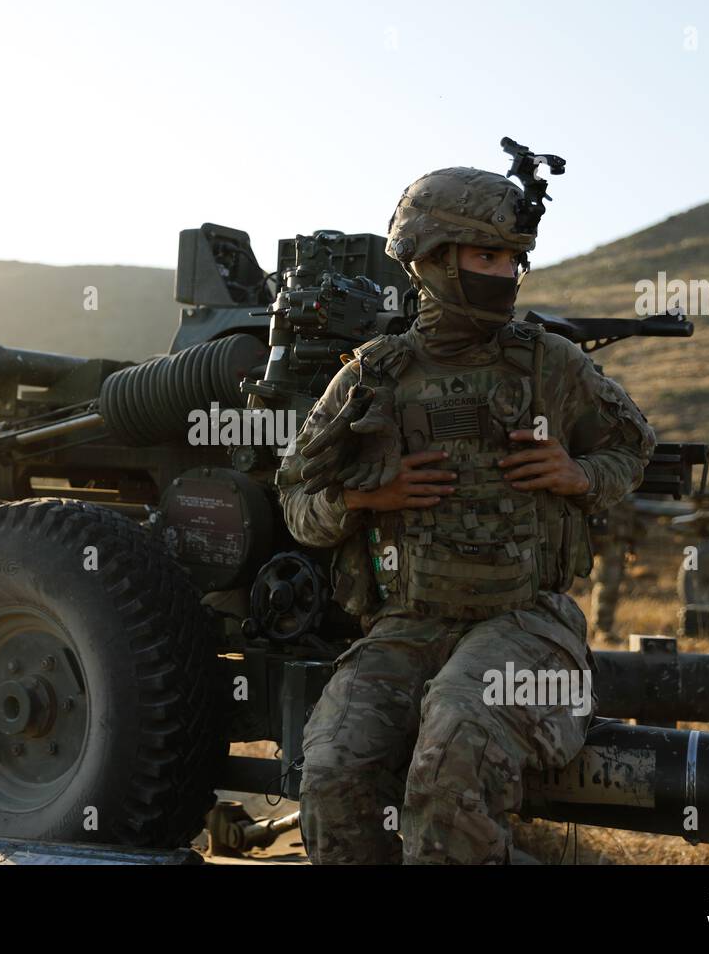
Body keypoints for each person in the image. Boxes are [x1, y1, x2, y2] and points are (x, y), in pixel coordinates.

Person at [276, 162, 655, 864]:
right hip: (407, 627)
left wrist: (577, 475)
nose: (504, 274)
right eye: (487, 256)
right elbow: (297, 498)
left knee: (453, 749)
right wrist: (365, 498)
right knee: (331, 773)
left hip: (527, 623)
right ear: (432, 260)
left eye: (513, 260)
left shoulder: (552, 365)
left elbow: (634, 450)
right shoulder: (373, 375)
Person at [587, 495, 643, 641]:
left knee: (611, 587)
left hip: (618, 544)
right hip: (605, 543)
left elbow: (630, 520)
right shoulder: (606, 487)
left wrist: (632, 544)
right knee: (606, 585)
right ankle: (600, 628)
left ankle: (602, 628)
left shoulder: (625, 492)